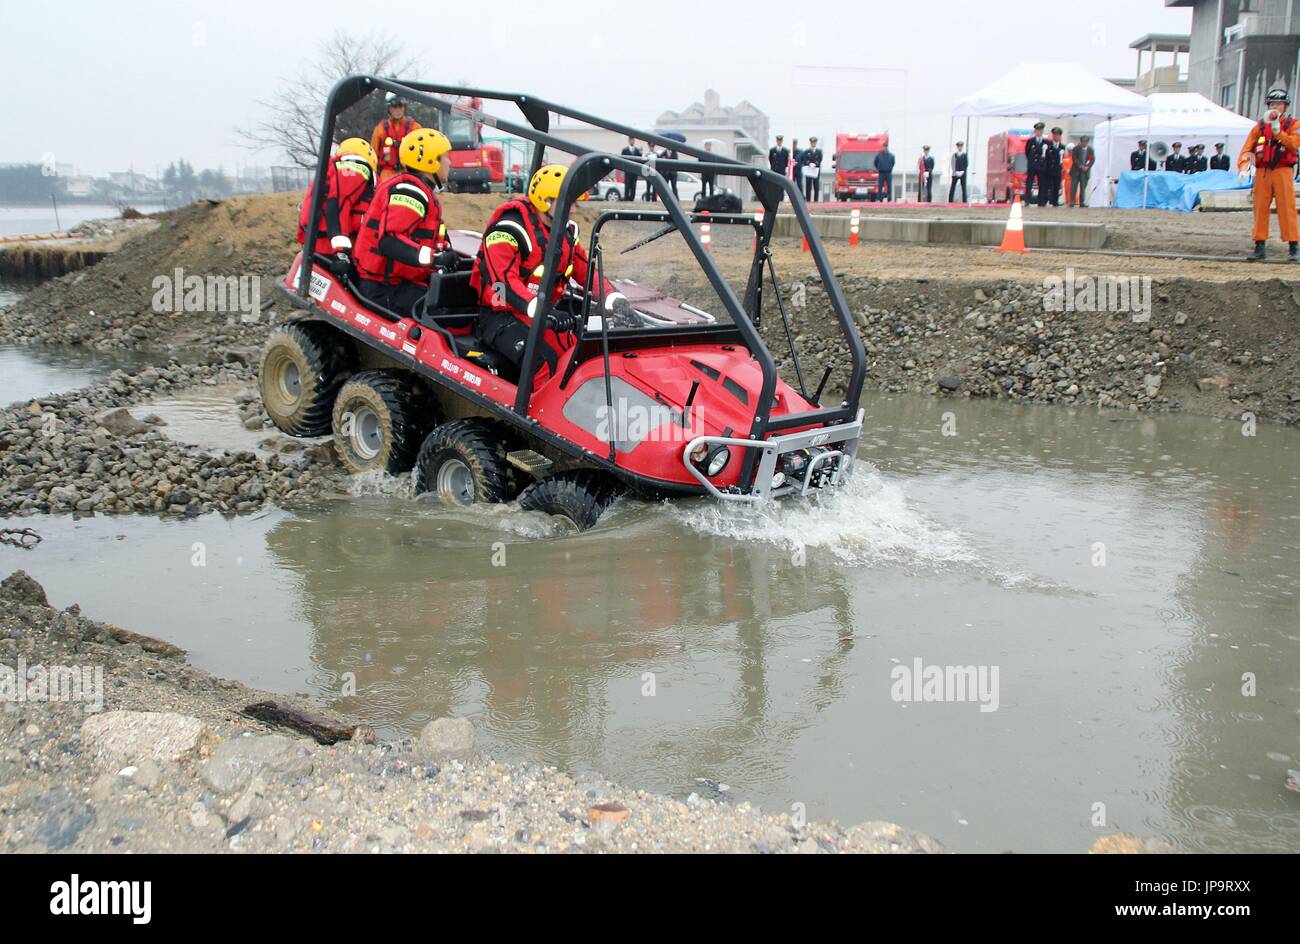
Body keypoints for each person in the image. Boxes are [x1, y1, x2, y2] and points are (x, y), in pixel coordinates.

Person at [470, 164, 628, 382]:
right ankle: (535, 415)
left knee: (580, 354)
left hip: (541, 316)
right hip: (500, 317)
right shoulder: (508, 230)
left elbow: (586, 270)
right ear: (546, 201)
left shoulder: (566, 232)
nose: (573, 209)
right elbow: (503, 282)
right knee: (544, 362)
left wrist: (613, 297)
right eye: (568, 202)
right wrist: (543, 310)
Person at [353, 128, 456, 316]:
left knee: (456, 299)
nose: (449, 162)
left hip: (396, 284)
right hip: (383, 289)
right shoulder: (410, 192)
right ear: (431, 161)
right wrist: (435, 259)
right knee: (447, 312)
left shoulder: (420, 191)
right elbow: (390, 241)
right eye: (446, 157)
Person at [1239, 87, 1300, 261]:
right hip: (1263, 172)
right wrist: (1243, 167)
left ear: (1285, 106)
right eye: (1272, 103)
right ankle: (1259, 246)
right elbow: (1247, 149)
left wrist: (1278, 132)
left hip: (1283, 171)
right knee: (1260, 208)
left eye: (1279, 103)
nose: (1276, 106)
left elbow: (1294, 144)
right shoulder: (1259, 127)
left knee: (1287, 208)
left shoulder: (1294, 125)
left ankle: (1294, 247)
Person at [297, 138, 377, 262]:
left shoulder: (330, 172)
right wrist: (341, 249)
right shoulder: (355, 169)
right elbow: (340, 203)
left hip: (318, 245)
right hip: (333, 249)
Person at [370, 93, 422, 183]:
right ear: (389, 108)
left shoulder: (415, 128)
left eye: (400, 106)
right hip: (386, 174)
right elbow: (372, 155)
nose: (398, 110)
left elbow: (422, 151)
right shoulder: (380, 129)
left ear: (404, 107)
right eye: (394, 107)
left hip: (409, 173)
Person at [1039, 127, 1064, 206]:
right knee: (1046, 186)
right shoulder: (1047, 144)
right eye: (1054, 135)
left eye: (1057, 135)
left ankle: (1054, 201)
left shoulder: (1062, 146)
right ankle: (1044, 200)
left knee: (1056, 186)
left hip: (1057, 169)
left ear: (1060, 136)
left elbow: (1061, 159)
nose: (1056, 137)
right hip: (1048, 169)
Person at [1069, 135, 1094, 208]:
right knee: (1073, 187)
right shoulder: (1076, 149)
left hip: (1085, 172)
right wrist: (1081, 166)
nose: (1084, 143)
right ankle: (1072, 202)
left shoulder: (1090, 150)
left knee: (1083, 187)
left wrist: (1087, 166)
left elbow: (1092, 159)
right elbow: (1075, 159)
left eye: (1086, 142)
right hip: (1076, 171)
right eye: (1083, 142)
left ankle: (1082, 202)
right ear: (1081, 142)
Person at [1025, 122, 1046, 205]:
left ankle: (1041, 201)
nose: (1039, 132)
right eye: (1037, 130)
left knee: (1041, 184)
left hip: (1041, 166)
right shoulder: (1030, 141)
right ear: (1035, 131)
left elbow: (1047, 155)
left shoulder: (1046, 142)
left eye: (1041, 130)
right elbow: (1027, 152)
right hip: (1032, 166)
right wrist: (1031, 161)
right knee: (1029, 184)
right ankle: (1027, 200)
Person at [620, 137, 642, 201]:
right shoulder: (625, 150)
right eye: (631, 140)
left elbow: (640, 159)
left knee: (633, 185)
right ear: (629, 141)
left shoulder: (637, 150)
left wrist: (641, 152)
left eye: (633, 140)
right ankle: (626, 198)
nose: (633, 141)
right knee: (627, 185)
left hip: (634, 171)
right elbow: (622, 160)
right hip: (628, 170)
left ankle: (632, 198)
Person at [803, 136, 823, 202]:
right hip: (809, 170)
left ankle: (816, 200)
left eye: (814, 142)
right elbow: (804, 160)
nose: (813, 144)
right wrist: (809, 163)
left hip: (815, 170)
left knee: (816, 186)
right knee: (808, 186)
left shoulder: (819, 151)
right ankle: (808, 200)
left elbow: (820, 159)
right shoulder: (807, 151)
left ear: (816, 143)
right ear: (810, 143)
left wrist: (816, 164)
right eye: (812, 142)